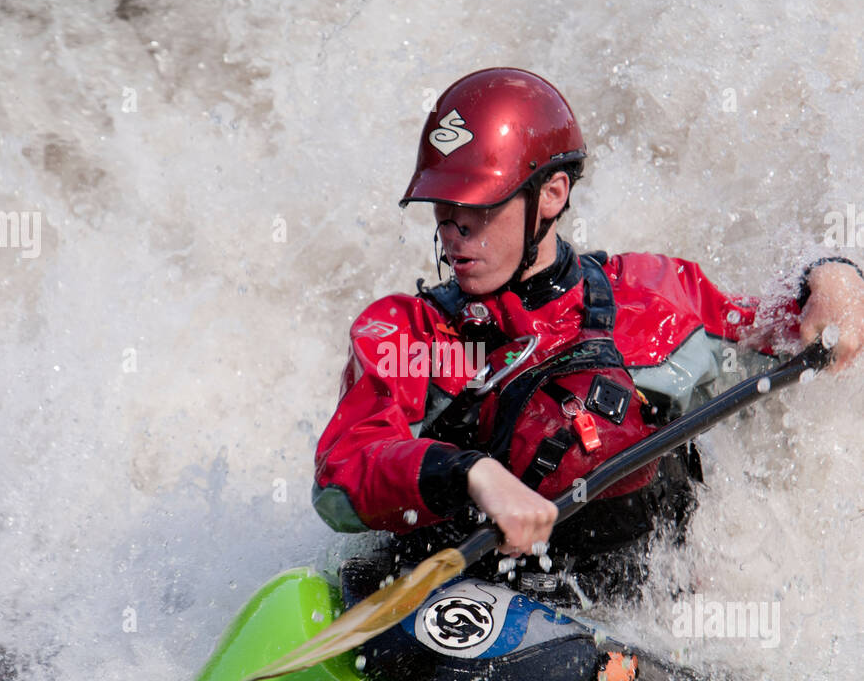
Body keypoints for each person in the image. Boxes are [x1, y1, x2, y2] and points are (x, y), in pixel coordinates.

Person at [313, 68, 864, 603]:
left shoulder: (650, 299)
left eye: (476, 211)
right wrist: (467, 473)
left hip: (633, 621)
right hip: (467, 602)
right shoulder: (408, 333)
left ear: (550, 195)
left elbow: (784, 329)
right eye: (443, 211)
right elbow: (341, 477)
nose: (454, 237)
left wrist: (836, 277)